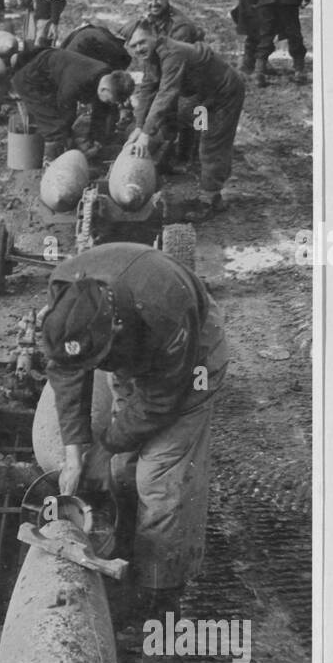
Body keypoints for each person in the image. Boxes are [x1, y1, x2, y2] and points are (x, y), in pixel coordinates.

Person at [40, 243, 229, 621]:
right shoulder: (65, 288)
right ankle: (127, 543)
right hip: (135, 353)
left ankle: (160, 591)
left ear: (117, 327)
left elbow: (161, 401)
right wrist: (76, 452)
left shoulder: (165, 309)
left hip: (190, 365)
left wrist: (104, 448)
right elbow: (66, 371)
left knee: (161, 481)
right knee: (123, 470)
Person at [125, 19, 245, 215]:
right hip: (202, 96)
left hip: (224, 94)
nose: (139, 48)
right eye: (133, 46)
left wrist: (146, 133)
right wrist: (139, 126)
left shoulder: (172, 53)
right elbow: (147, 89)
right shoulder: (151, 57)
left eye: (142, 42)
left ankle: (210, 200)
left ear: (154, 36)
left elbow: (166, 93)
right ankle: (198, 167)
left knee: (212, 142)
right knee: (194, 128)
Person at [121, 0, 204, 164]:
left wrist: (145, 131)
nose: (154, 3)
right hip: (172, 74)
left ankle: (190, 158)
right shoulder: (149, 22)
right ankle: (174, 148)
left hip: (195, 80)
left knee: (188, 114)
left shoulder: (180, 28)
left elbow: (169, 83)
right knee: (162, 114)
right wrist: (140, 125)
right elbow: (150, 79)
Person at [9, 48, 134, 159]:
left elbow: (101, 111)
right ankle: (52, 159)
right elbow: (65, 114)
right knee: (54, 127)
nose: (110, 103)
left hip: (50, 79)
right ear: (104, 90)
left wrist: (96, 140)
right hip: (30, 82)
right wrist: (73, 142)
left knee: (61, 125)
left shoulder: (106, 77)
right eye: (110, 100)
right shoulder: (76, 83)